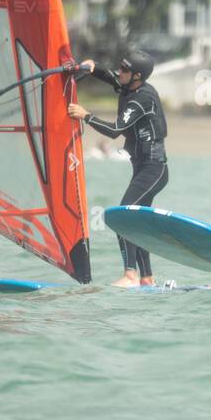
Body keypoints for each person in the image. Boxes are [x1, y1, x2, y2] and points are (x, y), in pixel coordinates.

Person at [67, 50, 168, 287]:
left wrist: (86, 115)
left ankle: (130, 275)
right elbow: (109, 76)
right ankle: (147, 279)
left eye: (124, 70)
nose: (119, 72)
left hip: (153, 169)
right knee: (137, 223)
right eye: (120, 67)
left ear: (137, 76)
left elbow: (114, 131)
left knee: (123, 216)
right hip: (143, 168)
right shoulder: (129, 85)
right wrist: (93, 66)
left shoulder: (142, 98)